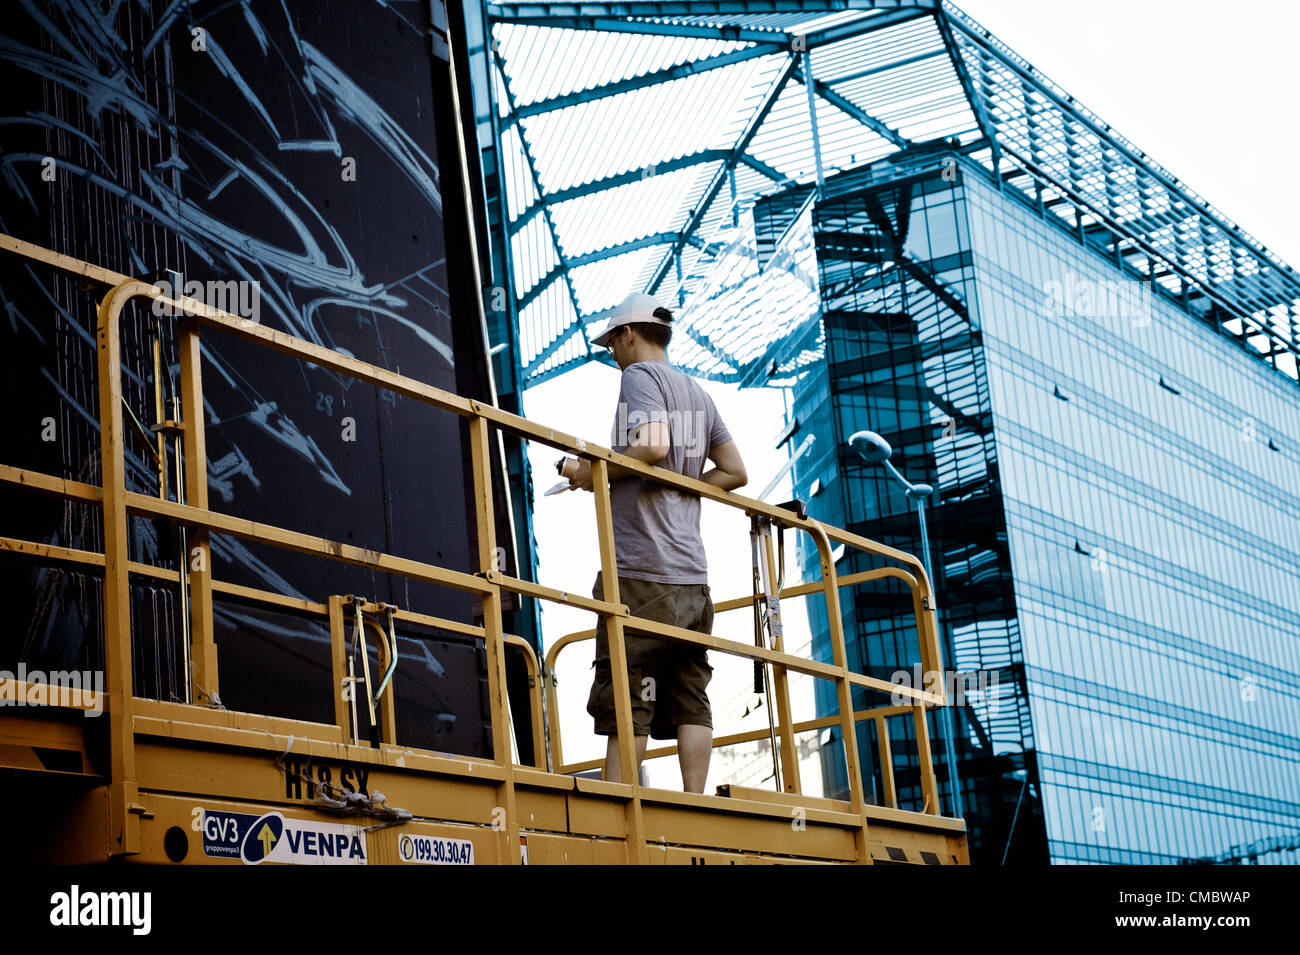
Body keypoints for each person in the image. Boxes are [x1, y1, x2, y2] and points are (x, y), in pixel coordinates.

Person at [560, 293, 747, 793]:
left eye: (612, 344)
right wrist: (682, 488)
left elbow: (653, 445)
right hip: (693, 579)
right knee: (691, 692)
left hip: (642, 571)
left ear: (628, 334)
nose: (612, 354)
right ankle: (695, 806)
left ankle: (623, 813)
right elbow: (735, 473)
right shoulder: (698, 393)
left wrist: (589, 471)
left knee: (628, 692)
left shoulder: (638, 378)